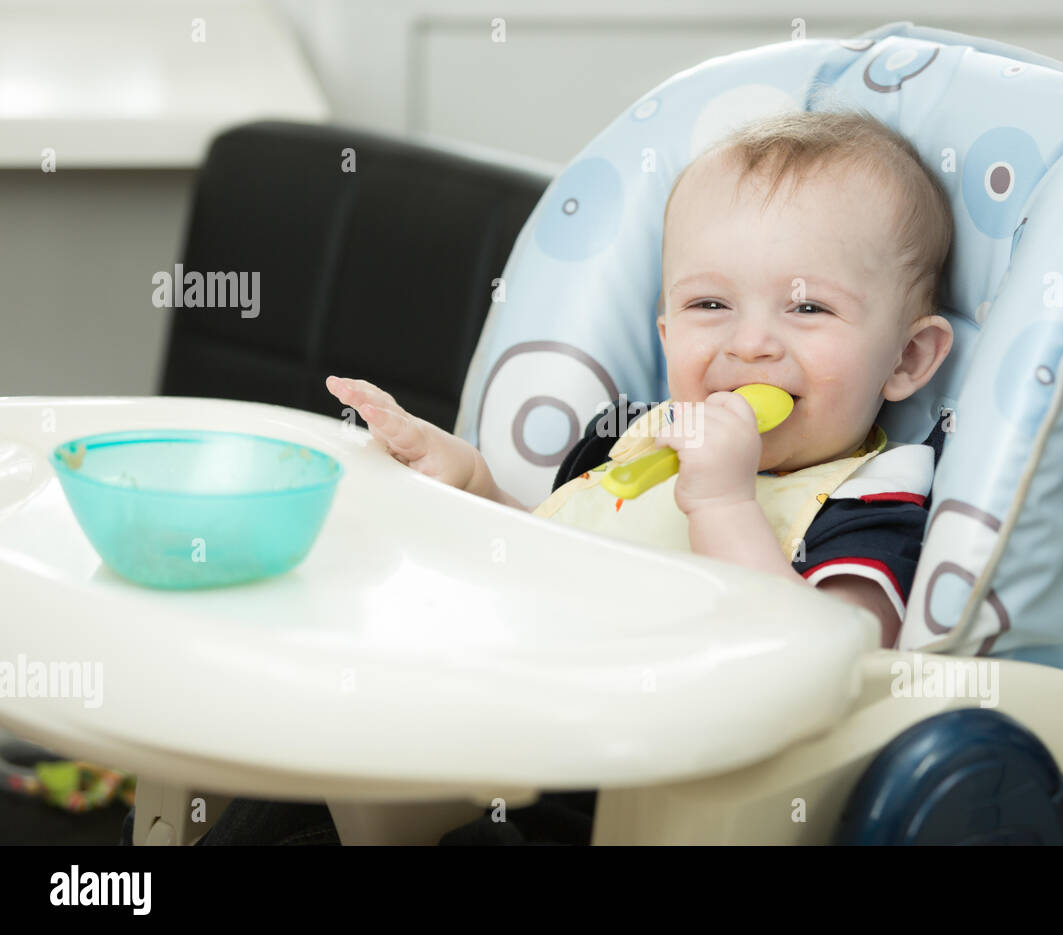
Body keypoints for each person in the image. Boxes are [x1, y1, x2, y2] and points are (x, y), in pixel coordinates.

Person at [123, 107, 954, 847]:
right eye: (710, 307)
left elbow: (830, 670)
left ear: (908, 358)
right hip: (472, 733)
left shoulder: (870, 504)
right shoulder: (631, 441)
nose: (750, 345)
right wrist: (472, 482)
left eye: (807, 308)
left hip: (605, 807)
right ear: (665, 329)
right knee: (284, 778)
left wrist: (723, 500)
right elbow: (555, 548)